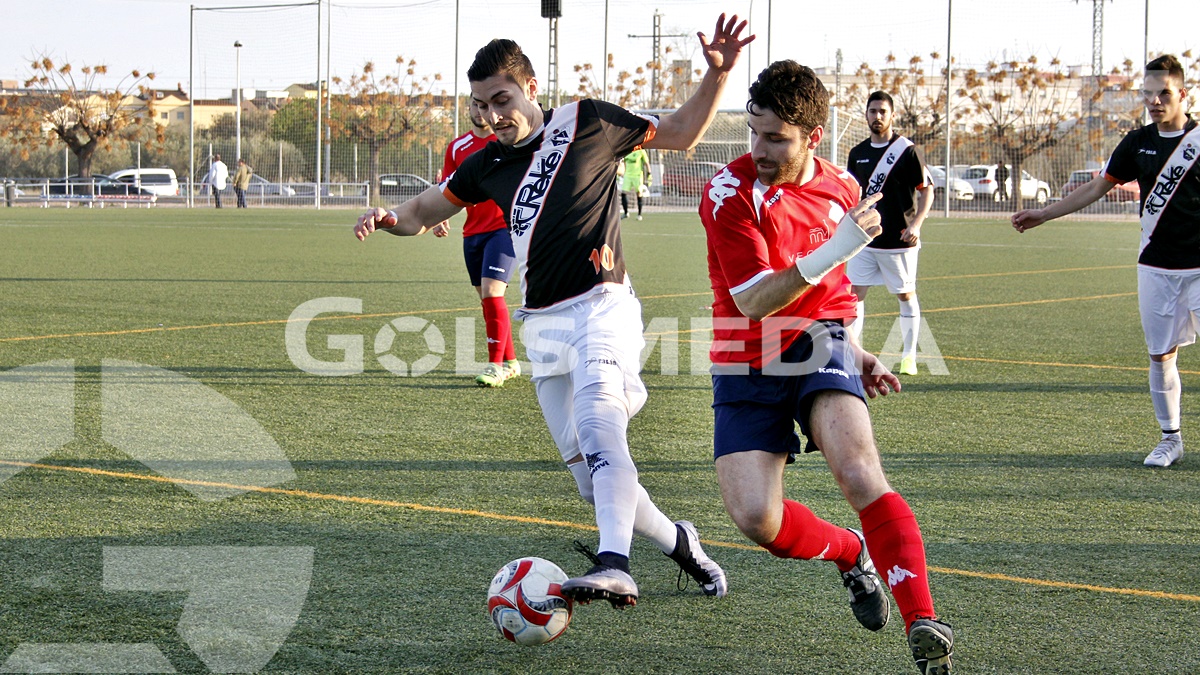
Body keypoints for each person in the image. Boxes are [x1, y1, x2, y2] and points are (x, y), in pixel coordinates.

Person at [354, 14, 755, 609]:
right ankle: (681, 543)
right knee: (595, 484)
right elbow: (420, 211)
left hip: (602, 305)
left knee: (600, 422)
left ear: (532, 89)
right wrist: (388, 218)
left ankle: (615, 564)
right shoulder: (484, 164)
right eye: (480, 107)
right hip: (542, 325)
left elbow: (682, 132)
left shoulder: (588, 121)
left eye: (502, 100)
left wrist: (717, 75)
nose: (492, 116)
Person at [699, 61, 953, 674]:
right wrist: (836, 247)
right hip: (743, 352)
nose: (759, 149)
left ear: (812, 136)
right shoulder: (728, 194)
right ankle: (849, 552)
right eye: (754, 134)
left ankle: (924, 620)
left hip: (818, 342)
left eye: (775, 138)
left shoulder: (840, 186)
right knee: (757, 519)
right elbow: (754, 300)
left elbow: (833, 294)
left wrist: (855, 351)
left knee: (859, 469)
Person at [1013, 54, 1199, 468]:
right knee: (1161, 354)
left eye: (1163, 93)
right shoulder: (1137, 142)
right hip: (1156, 265)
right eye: (1147, 94)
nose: (1154, 101)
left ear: (1183, 93)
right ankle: (1171, 438)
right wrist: (1044, 213)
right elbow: (1098, 187)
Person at [429, 100, 521, 388]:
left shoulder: (505, 142)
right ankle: (512, 362)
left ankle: (495, 366)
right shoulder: (457, 147)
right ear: (470, 110)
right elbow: (447, 189)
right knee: (487, 299)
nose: (481, 111)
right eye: (476, 105)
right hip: (473, 232)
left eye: (486, 105)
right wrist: (438, 218)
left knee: (493, 292)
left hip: (504, 229)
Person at [844, 91, 935, 376]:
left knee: (905, 295)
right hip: (864, 241)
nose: (877, 116)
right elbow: (852, 197)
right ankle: (853, 354)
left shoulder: (907, 151)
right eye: (873, 111)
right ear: (867, 114)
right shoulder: (857, 154)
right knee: (854, 295)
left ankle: (909, 357)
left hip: (899, 242)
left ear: (892, 115)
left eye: (883, 111)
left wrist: (916, 224)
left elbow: (927, 189)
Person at [620, 147, 652, 221]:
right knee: (623, 193)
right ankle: (626, 213)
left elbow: (647, 162)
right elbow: (623, 162)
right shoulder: (627, 150)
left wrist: (649, 173)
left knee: (639, 194)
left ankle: (639, 214)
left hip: (637, 176)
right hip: (627, 175)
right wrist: (622, 173)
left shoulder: (641, 151)